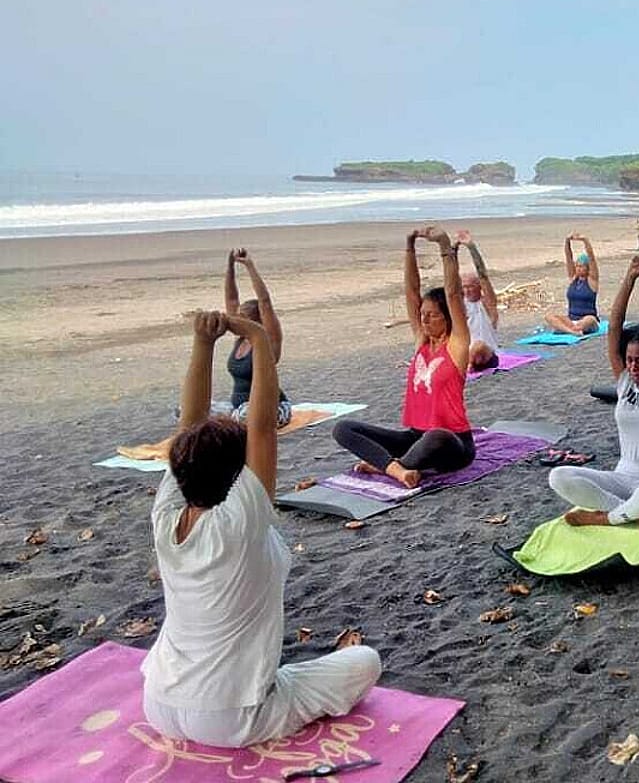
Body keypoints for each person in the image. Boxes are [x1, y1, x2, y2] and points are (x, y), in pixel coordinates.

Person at [142, 310, 380, 748]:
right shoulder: (239, 519)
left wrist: (202, 342)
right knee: (365, 662)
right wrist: (257, 338)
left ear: (180, 467)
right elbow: (264, 427)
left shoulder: (166, 517)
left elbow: (188, 427)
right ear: (238, 475)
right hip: (234, 717)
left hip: (159, 702)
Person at [549, 255, 639, 529]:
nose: (633, 366)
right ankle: (630, 513)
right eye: (629, 360)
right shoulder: (624, 382)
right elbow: (613, 327)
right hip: (621, 481)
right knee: (559, 476)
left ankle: (607, 518)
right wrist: (629, 278)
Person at [332, 226, 475, 488]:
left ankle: (392, 466)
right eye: (423, 313)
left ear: (448, 317)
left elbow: (453, 294)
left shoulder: (456, 345)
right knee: (343, 428)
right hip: (415, 437)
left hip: (453, 444)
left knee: (437, 436)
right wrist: (409, 245)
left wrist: (444, 246)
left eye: (432, 314)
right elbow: (411, 291)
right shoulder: (423, 341)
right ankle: (398, 468)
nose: (424, 318)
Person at [223, 249, 292, 427]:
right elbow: (231, 299)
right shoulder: (240, 339)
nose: (238, 320)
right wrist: (230, 266)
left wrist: (249, 266)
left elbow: (265, 302)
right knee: (186, 410)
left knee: (245, 417)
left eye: (244, 317)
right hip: (237, 407)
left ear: (257, 321)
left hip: (271, 408)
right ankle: (230, 421)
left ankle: (231, 423)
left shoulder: (268, 342)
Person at [456, 230, 501, 371]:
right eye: (465, 287)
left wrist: (471, 247)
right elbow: (452, 280)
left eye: (471, 286)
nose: (467, 290)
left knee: (479, 346)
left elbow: (483, 276)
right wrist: (453, 250)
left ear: (478, 287)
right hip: (465, 352)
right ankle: (466, 363)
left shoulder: (487, 304)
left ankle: (468, 366)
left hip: (487, 354)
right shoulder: (461, 305)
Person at [545, 233, 600, 336]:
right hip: (571, 320)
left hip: (587, 321)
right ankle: (572, 331)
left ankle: (567, 329)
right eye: (577, 266)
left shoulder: (592, 281)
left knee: (590, 319)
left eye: (581, 266)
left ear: (587, 268)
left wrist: (585, 240)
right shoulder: (573, 278)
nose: (578, 268)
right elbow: (568, 257)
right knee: (549, 316)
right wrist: (567, 241)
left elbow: (592, 259)